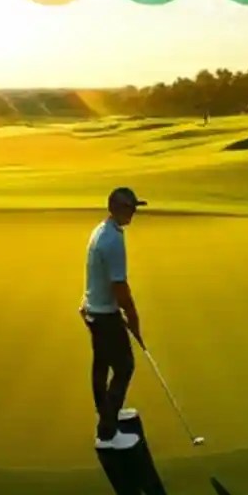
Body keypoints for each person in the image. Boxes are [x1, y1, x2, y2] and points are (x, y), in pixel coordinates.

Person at [79, 187, 147, 450]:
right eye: (130, 208)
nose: (133, 213)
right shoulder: (112, 240)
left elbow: (93, 273)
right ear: (117, 208)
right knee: (124, 367)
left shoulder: (102, 230)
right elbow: (121, 288)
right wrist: (134, 320)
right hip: (105, 314)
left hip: (93, 309)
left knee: (102, 364)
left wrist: (86, 302)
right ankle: (107, 432)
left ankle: (108, 411)